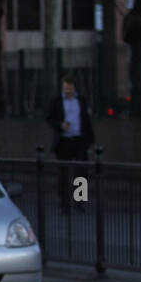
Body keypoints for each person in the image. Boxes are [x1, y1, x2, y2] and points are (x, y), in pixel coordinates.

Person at [45, 77, 95, 213]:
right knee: (63, 173)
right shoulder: (57, 102)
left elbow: (86, 119)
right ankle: (64, 203)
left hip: (79, 140)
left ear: (74, 88)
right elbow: (49, 118)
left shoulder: (81, 101)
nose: (67, 90)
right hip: (64, 140)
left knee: (81, 173)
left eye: (70, 87)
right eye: (65, 87)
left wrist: (89, 139)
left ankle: (79, 202)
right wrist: (60, 125)